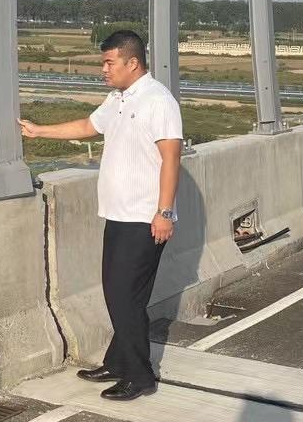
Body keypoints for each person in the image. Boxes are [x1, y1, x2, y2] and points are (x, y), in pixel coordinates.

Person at [20, 30, 183, 400]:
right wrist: (39, 130)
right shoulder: (117, 98)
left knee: (124, 297)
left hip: (144, 217)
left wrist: (164, 212)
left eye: (109, 62)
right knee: (119, 294)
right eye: (103, 63)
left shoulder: (158, 101)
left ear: (132, 62)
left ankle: (140, 377)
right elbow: (88, 127)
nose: (103, 69)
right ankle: (118, 361)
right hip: (118, 213)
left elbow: (171, 159)